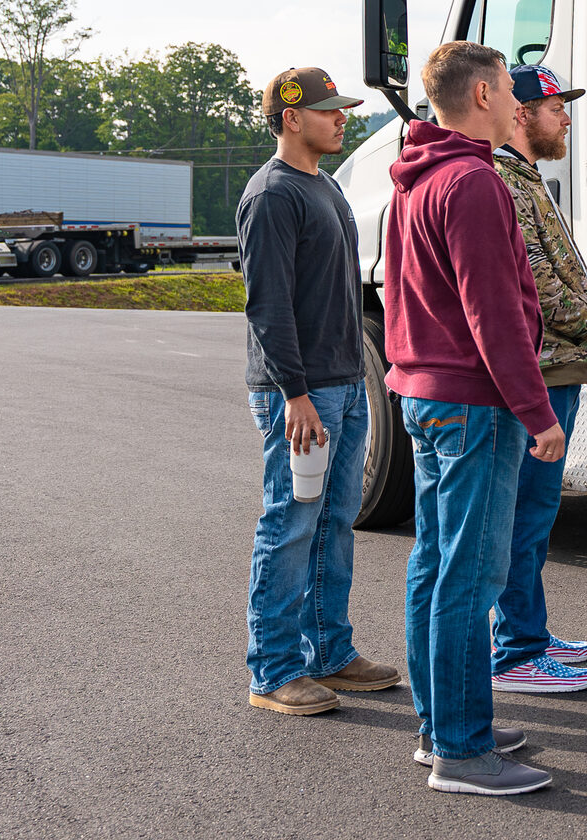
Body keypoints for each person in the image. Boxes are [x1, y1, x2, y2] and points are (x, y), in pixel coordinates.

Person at [384, 41, 564, 796]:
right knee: (470, 574)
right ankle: (462, 749)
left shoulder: (417, 177)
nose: (521, 106)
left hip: (424, 395)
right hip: (474, 404)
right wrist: (537, 411)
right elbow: (494, 316)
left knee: (434, 565)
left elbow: (399, 295)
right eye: (510, 90)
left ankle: (444, 725)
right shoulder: (475, 183)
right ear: (484, 94)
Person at [237, 66, 400, 716]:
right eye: (329, 111)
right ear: (290, 117)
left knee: (335, 523)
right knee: (291, 522)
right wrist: (296, 395)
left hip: (344, 384)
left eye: (342, 109)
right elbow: (267, 307)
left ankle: (329, 653)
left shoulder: (323, 184)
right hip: (300, 395)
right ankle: (273, 670)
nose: (342, 118)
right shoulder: (272, 195)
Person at [489, 64, 587, 693]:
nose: (565, 116)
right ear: (522, 112)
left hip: (556, 364)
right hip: (545, 368)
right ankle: (515, 650)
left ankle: (526, 630)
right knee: (525, 513)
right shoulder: (505, 182)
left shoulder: (524, 175)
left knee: (532, 512)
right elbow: (534, 282)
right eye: (555, 106)